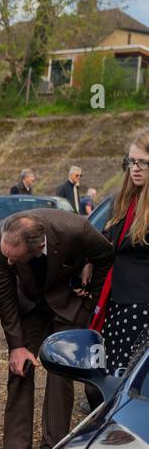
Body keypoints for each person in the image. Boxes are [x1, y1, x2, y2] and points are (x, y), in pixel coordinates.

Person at [0, 209, 114, 449]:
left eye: (13, 257)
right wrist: (16, 346)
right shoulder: (0, 242)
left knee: (60, 373)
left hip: (69, 303)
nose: (7, 259)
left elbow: (106, 257)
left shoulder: (75, 229)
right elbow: (4, 293)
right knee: (19, 368)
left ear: (38, 246)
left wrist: (89, 304)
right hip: (30, 303)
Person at [90, 131, 149, 376]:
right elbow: (104, 241)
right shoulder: (122, 202)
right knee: (113, 379)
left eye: (142, 162)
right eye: (131, 161)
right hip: (117, 307)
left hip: (143, 310)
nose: (134, 168)